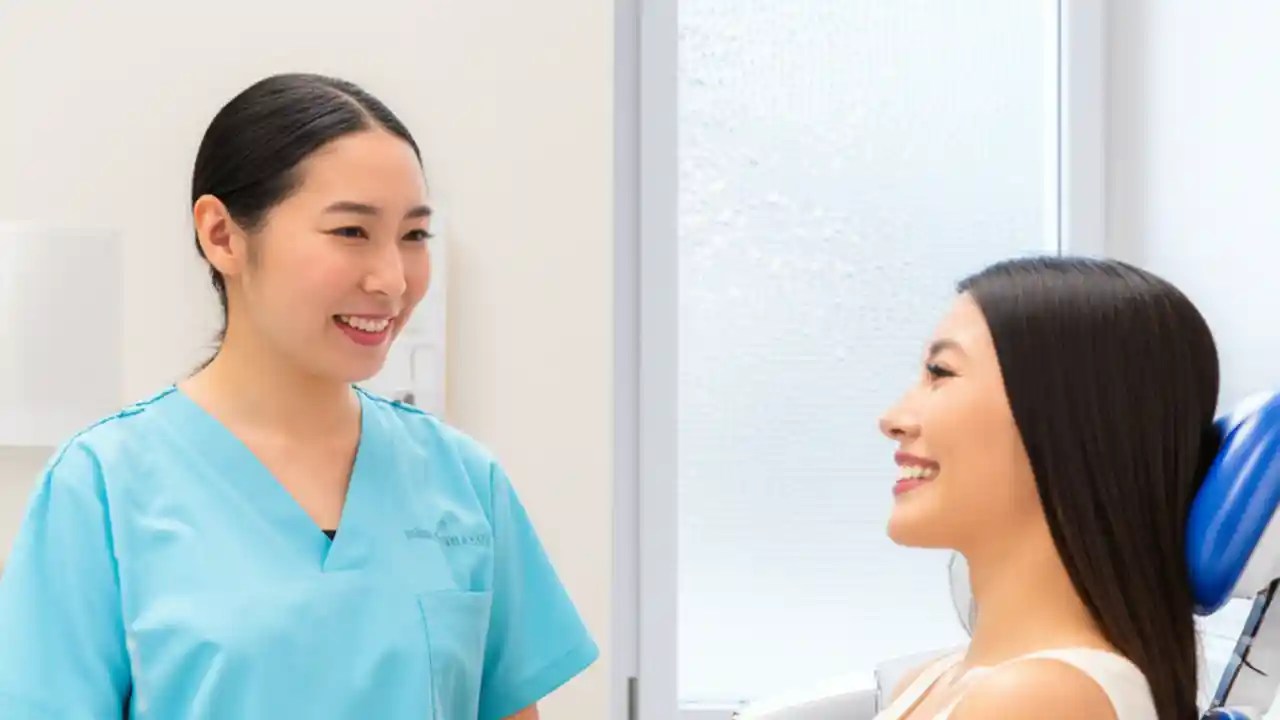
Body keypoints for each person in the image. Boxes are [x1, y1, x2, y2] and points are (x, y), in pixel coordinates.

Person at [0, 73, 597, 720]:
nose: (393, 279)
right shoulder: (101, 488)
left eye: (415, 235)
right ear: (222, 235)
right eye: (350, 232)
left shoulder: (463, 482)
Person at [874, 257, 1218, 720]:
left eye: (940, 372)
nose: (893, 420)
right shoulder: (934, 682)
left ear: (1069, 420)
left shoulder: (1037, 699)